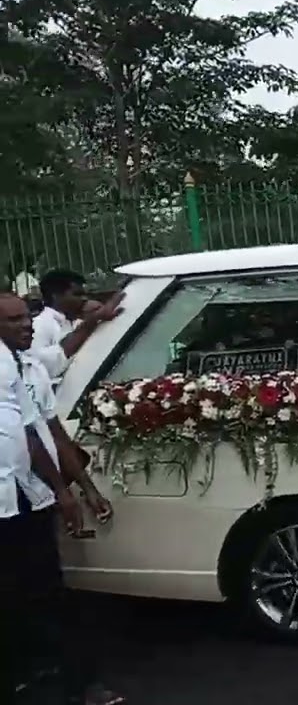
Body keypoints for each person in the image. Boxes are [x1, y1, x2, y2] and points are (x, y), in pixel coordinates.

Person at [0, 294, 125, 705]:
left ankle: (74, 680)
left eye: (27, 317)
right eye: (15, 320)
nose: (28, 325)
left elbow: (47, 431)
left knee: (46, 593)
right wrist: (61, 491)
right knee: (30, 596)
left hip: (26, 499)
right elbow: (25, 437)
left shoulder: (28, 367)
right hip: (12, 501)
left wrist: (80, 488)